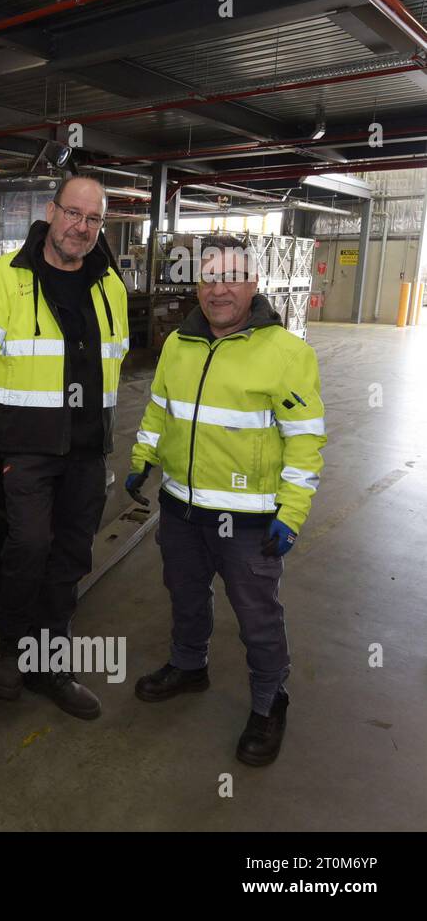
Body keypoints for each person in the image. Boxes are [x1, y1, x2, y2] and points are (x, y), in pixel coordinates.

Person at [126, 236, 326, 765]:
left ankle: (269, 701)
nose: (219, 289)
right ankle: (189, 664)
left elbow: (305, 440)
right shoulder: (177, 344)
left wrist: (292, 511)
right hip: (181, 509)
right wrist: (142, 459)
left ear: (253, 283)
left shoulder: (287, 353)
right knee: (185, 593)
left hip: (250, 520)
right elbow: (158, 410)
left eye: (231, 277)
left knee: (257, 615)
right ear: (198, 284)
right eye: (209, 277)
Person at [0, 175, 128, 719]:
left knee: (70, 556)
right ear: (51, 212)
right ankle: (9, 645)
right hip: (25, 447)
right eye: (73, 213)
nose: (81, 227)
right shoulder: (4, 279)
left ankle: (51, 662)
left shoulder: (108, 285)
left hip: (88, 450)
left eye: (93, 219)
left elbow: (113, 364)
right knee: (29, 548)